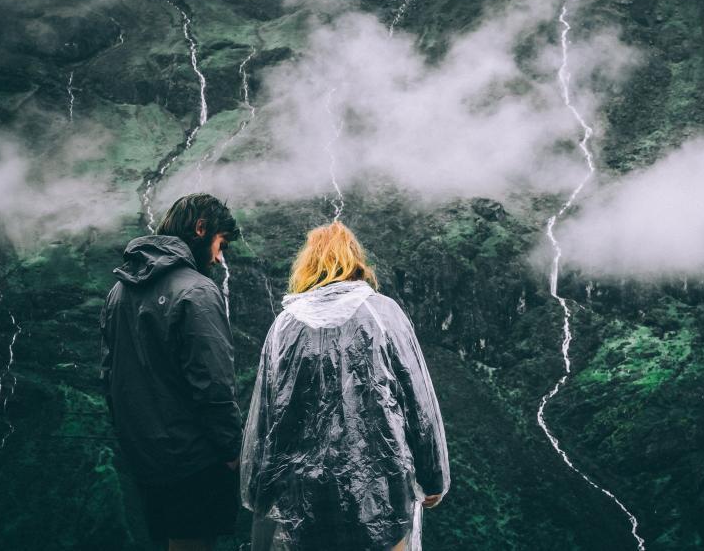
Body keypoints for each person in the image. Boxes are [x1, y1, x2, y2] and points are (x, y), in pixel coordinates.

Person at [241, 221, 450, 551]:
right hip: (383, 492)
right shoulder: (385, 315)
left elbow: (269, 418)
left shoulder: (285, 326)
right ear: (355, 262)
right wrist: (433, 477)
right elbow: (417, 403)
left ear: (306, 266)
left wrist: (258, 489)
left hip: (304, 498)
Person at [99, 193, 243, 551]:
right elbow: (213, 386)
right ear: (200, 228)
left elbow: (108, 372)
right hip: (193, 456)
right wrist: (232, 449)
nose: (218, 257)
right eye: (220, 244)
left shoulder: (119, 290)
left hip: (144, 453)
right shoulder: (196, 291)